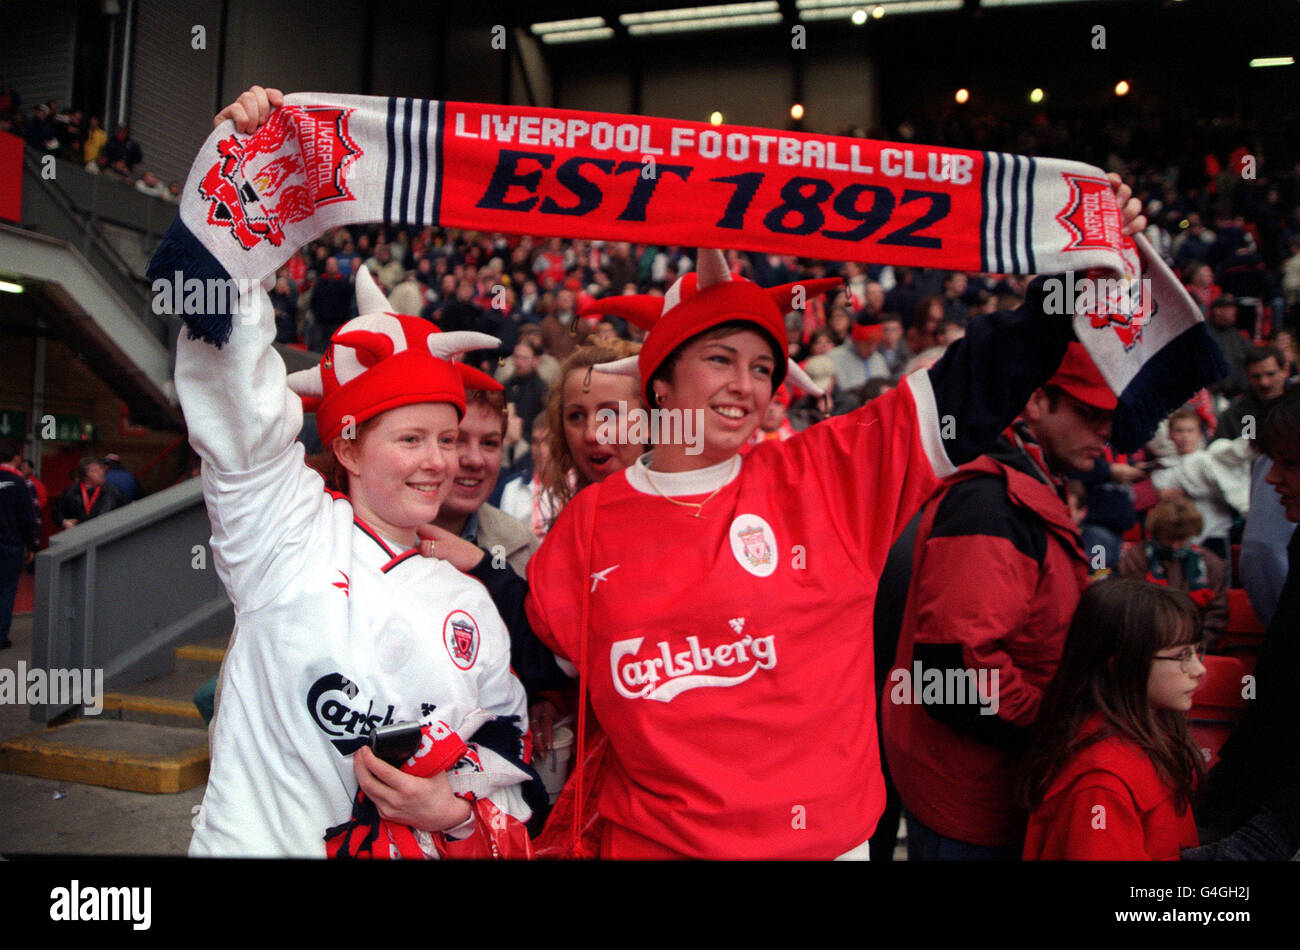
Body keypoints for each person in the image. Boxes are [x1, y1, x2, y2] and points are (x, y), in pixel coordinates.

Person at [526, 183, 1149, 859]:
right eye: (720, 360)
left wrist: (1068, 280)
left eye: (763, 367)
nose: (746, 385)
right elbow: (548, 670)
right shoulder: (586, 527)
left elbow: (974, 383)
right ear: (661, 383)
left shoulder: (826, 475)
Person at [178, 90, 541, 857]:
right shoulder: (282, 532)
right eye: (411, 438)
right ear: (345, 446)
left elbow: (509, 785)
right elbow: (236, 393)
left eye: (447, 439)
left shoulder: (470, 600)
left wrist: (451, 811)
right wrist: (247, 181)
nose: (440, 462)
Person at [881, 343, 1110, 860]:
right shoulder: (992, 502)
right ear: (1035, 402)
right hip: (969, 795)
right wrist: (1057, 728)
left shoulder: (1027, 485)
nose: (1104, 431)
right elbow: (953, 673)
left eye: (1109, 417)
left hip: (984, 784)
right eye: (1088, 413)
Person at [1020, 580, 1206, 860]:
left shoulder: (1148, 730)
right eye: (1181, 656)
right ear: (1123, 664)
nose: (1199, 669)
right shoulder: (1102, 786)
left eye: (1196, 651)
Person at [1119, 497, 1229, 644]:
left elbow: (1217, 615)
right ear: (1157, 533)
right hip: (1147, 642)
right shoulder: (1136, 558)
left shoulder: (1211, 563)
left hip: (1196, 645)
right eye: (1169, 539)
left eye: (1182, 539)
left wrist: (1195, 646)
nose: (1175, 546)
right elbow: (1130, 610)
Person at [0, 440, 38, 650]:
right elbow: (28, 517)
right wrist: (31, 546)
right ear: (16, 458)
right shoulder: (21, 483)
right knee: (6, 589)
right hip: (11, 543)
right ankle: (1, 635)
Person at [1215, 345, 1290, 443]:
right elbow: (1218, 451)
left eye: (1270, 374)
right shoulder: (1233, 415)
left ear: (1285, 371)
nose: (1264, 382)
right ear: (1247, 376)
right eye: (1256, 376)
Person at [54, 458, 125, 529]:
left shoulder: (113, 492)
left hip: (104, 535)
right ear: (85, 476)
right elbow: (57, 512)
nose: (101, 473)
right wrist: (64, 522)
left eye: (101, 469)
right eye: (95, 471)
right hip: (78, 535)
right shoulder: (71, 492)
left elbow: (124, 514)